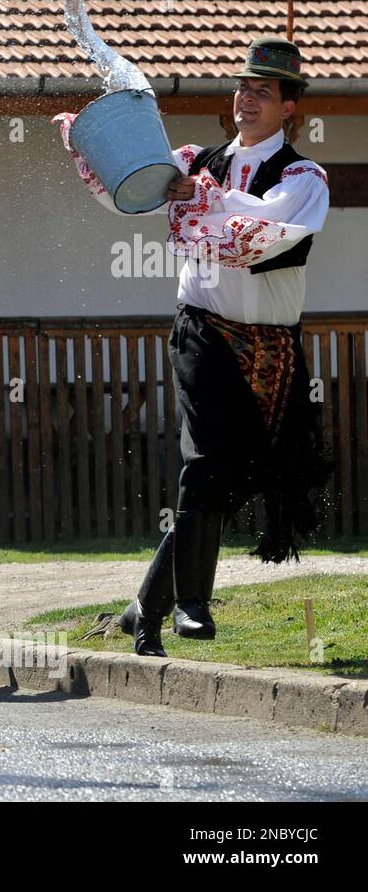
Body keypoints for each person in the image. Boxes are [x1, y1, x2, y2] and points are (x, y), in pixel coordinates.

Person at [54, 37, 330, 656]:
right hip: (203, 331)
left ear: (289, 107)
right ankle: (191, 603)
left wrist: (200, 196)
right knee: (206, 461)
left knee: (231, 478)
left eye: (264, 90)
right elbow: (128, 190)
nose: (247, 98)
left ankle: (143, 607)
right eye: (243, 87)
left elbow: (260, 233)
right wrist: (92, 145)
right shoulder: (194, 161)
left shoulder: (302, 177)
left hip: (274, 347)